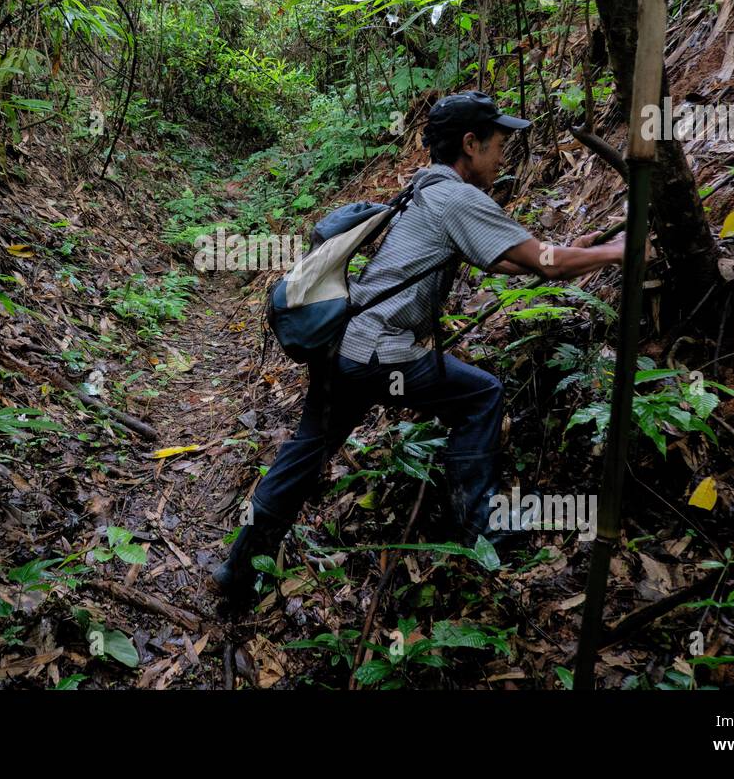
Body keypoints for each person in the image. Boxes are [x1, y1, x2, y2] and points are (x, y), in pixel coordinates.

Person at [208, 91, 625, 611]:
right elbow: (546, 263)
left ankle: (240, 567)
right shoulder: (456, 198)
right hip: (380, 352)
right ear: (470, 145)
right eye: (498, 144)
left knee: (304, 455)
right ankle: (484, 527)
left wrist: (585, 252)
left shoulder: (424, 191)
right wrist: (620, 251)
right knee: (481, 396)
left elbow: (512, 261)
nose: (502, 157)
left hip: (343, 347)